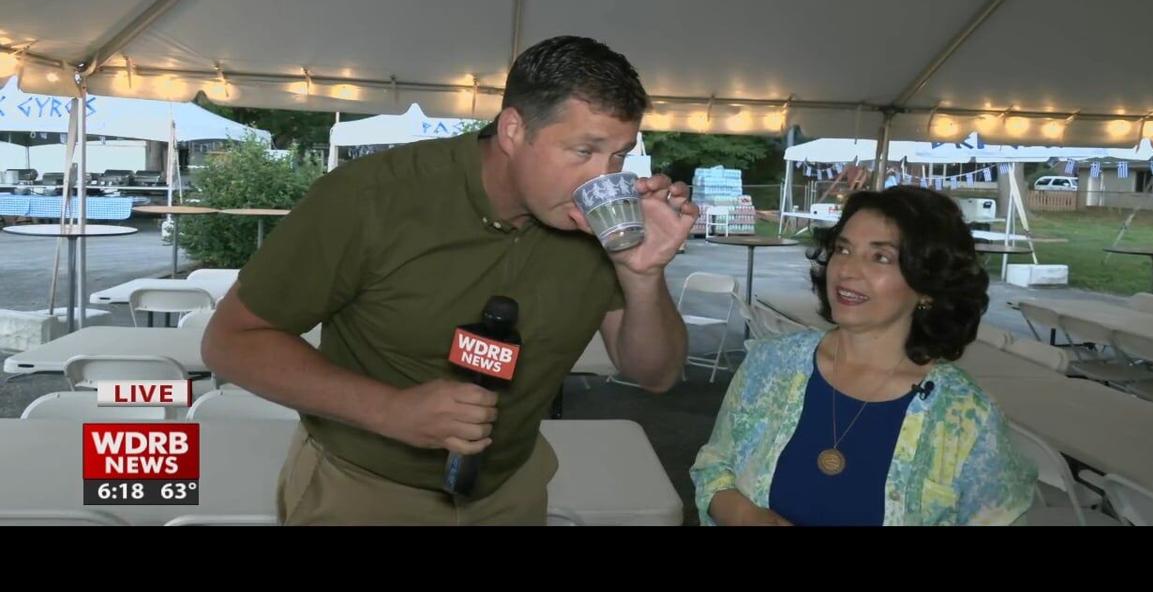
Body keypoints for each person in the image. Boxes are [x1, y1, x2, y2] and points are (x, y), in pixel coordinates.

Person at [203, 36, 697, 525]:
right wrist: (391, 410)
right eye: (584, 151)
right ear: (512, 130)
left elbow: (655, 374)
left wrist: (643, 275)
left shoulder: (600, 223)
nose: (603, 180)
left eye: (619, 156)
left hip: (510, 490)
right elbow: (231, 342)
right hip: (361, 491)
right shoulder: (371, 198)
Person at [691, 186, 1035, 526]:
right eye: (843, 249)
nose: (847, 271)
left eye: (880, 257)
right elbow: (713, 468)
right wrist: (744, 516)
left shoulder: (967, 417)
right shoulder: (770, 365)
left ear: (927, 284)